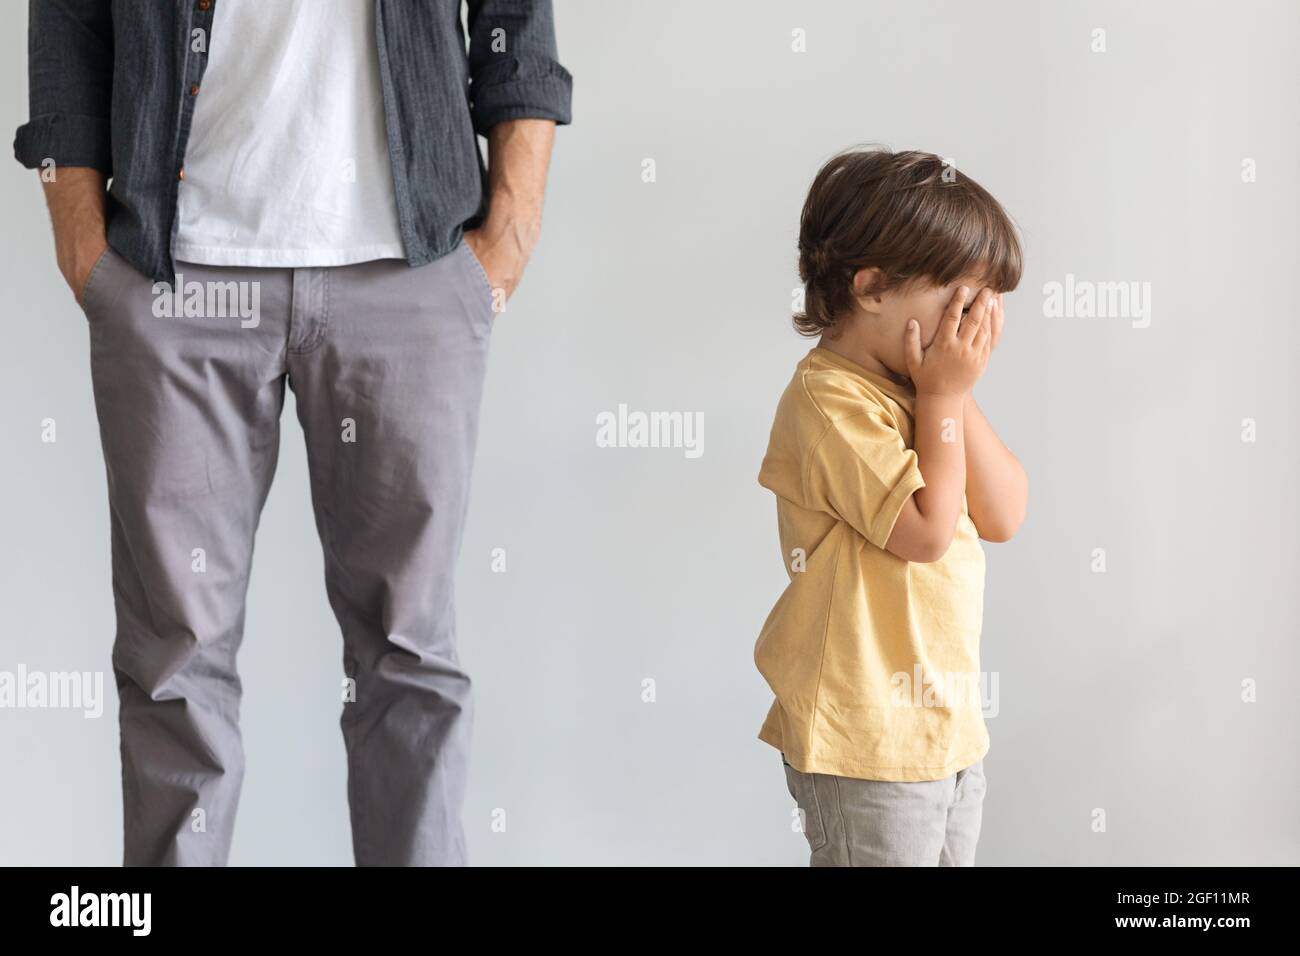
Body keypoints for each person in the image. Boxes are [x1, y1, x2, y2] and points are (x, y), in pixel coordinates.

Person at [14, 0, 572, 867]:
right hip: (175, 277)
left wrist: (512, 227)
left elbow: (516, 17)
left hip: (408, 269)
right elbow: (67, 19)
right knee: (175, 666)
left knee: (410, 655)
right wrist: (82, 239)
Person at [754, 148, 1028, 866]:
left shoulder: (927, 392)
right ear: (872, 288)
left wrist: (949, 394)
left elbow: (1002, 514)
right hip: (865, 738)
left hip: (946, 730)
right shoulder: (828, 399)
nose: (972, 329)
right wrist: (941, 397)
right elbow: (928, 533)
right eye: (959, 303)